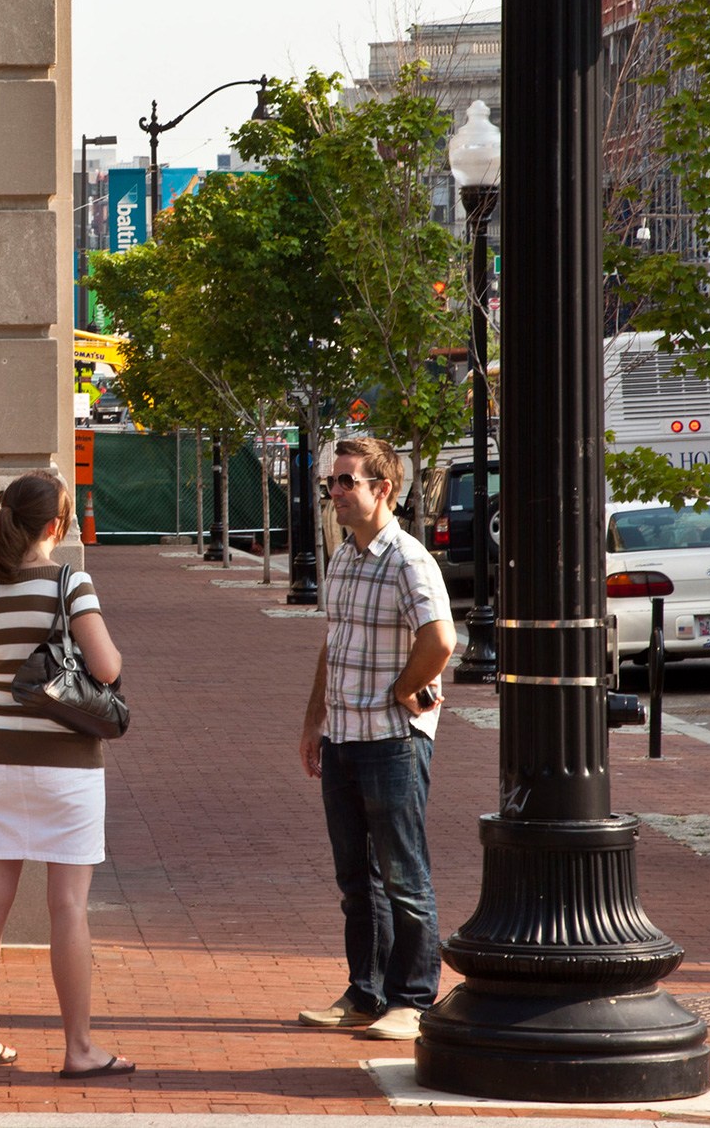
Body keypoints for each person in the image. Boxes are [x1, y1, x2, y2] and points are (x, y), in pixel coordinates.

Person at [0, 471, 133, 1079]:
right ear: (55, 525)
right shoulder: (69, 581)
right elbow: (105, 668)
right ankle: (78, 1047)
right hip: (66, 764)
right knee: (68, 907)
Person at [296, 436, 457, 1043]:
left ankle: (412, 999)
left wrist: (404, 690)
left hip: (392, 739)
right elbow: (333, 645)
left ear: (382, 488)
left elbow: (440, 639)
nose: (334, 493)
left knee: (403, 874)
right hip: (343, 737)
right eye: (331, 484)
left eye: (346, 482)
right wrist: (315, 721)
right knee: (355, 880)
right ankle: (365, 993)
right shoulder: (344, 556)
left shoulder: (408, 559)